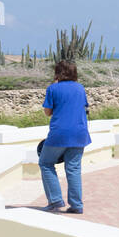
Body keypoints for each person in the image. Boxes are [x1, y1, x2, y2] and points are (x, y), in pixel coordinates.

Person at [39, 60, 92, 213]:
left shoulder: (53, 89)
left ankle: (55, 201)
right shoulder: (80, 88)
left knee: (46, 163)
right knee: (73, 168)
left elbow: (47, 112)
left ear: (57, 72)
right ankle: (76, 205)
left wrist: (55, 85)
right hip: (80, 133)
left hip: (60, 134)